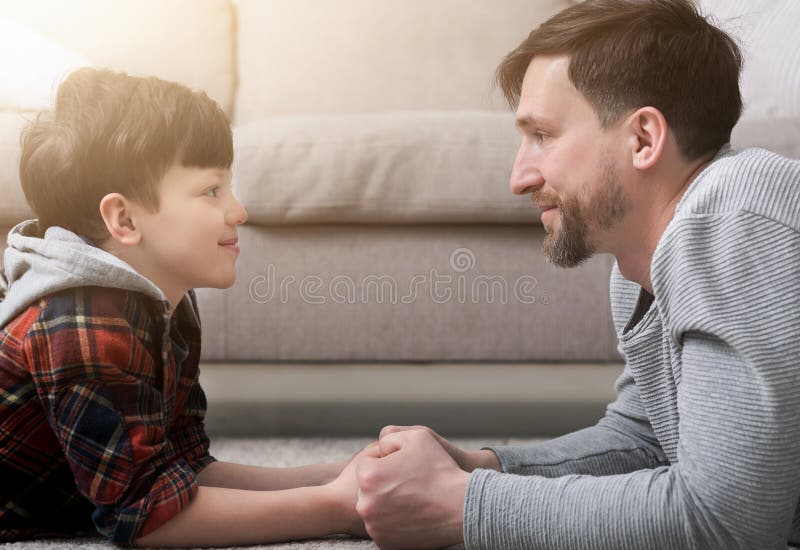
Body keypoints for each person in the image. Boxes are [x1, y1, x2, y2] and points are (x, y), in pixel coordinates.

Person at [353, 0, 800, 548]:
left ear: (643, 139)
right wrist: (479, 469)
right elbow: (647, 441)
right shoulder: (642, 264)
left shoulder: (730, 220)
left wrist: (462, 504)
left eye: (542, 135)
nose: (519, 177)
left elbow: (727, 523)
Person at [0, 68, 370, 546]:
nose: (239, 211)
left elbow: (183, 470)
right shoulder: (80, 319)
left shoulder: (161, 302)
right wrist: (338, 507)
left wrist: (333, 476)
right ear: (125, 219)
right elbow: (149, 515)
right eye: (212, 190)